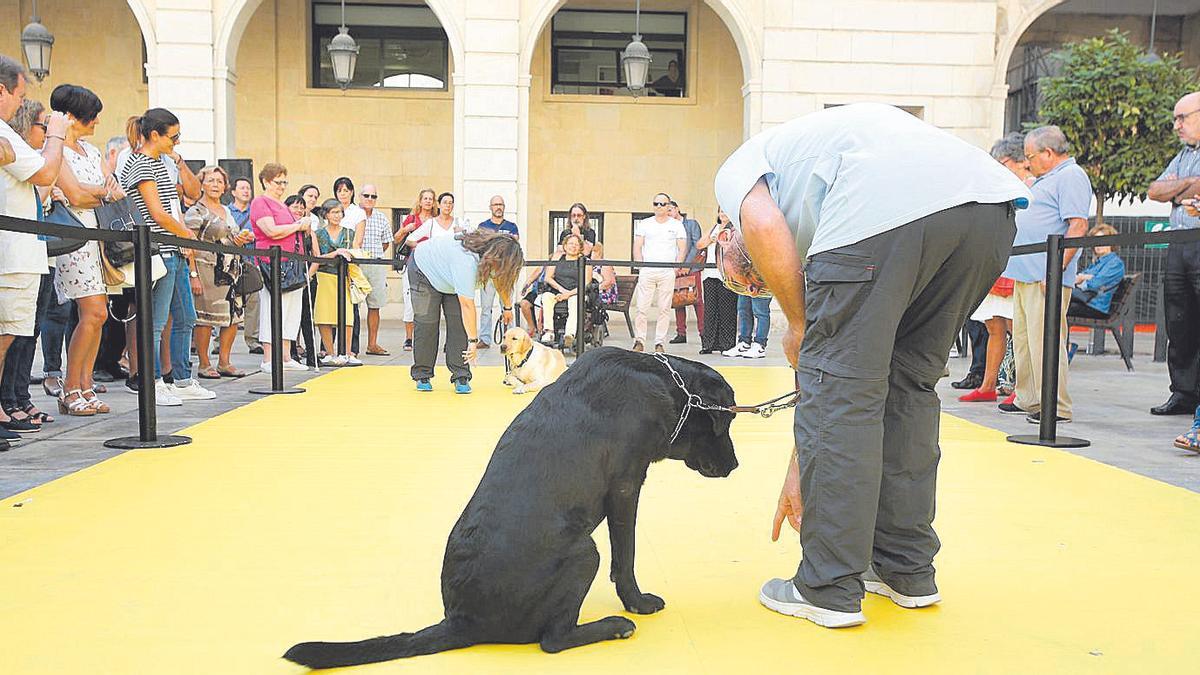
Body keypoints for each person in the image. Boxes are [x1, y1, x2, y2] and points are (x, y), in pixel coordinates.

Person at [715, 102, 1029, 628]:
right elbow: (825, 390)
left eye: (749, 282)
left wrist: (799, 323)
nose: (755, 289)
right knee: (908, 389)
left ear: (726, 235)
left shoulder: (737, 177)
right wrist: (800, 464)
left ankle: (828, 586)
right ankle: (904, 570)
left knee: (845, 394)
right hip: (989, 212)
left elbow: (761, 221)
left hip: (884, 215)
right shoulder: (808, 168)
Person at [119, 107, 215, 406]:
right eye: (172, 137)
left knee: (186, 315)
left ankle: (183, 379)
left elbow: (181, 198)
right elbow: (156, 213)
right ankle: (153, 381)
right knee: (156, 321)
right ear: (154, 135)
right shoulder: (141, 165)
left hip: (173, 247)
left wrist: (182, 236)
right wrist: (186, 234)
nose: (176, 141)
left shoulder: (160, 163)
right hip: (157, 249)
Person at [0, 55, 69, 446]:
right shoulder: (6, 132)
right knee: (6, 335)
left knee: (11, 334)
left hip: (20, 252)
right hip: (12, 252)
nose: (19, 104)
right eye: (19, 95)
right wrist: (56, 136)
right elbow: (45, 173)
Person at [1001, 126, 1090, 424]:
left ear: (1048, 153)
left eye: (1030, 156)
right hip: (1028, 273)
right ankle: (1029, 397)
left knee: (1045, 340)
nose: (1027, 162)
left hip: (1046, 275)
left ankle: (1055, 405)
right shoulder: (1046, 178)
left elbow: (1077, 226)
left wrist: (1056, 269)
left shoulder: (1070, 176)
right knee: (1025, 340)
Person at [49, 84, 119, 416]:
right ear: (75, 116)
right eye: (93, 116)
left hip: (99, 238)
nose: (97, 122)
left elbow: (112, 188)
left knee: (99, 315)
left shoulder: (92, 151)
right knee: (92, 312)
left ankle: (86, 384)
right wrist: (98, 193)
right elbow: (74, 195)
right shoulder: (57, 149)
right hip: (73, 238)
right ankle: (70, 387)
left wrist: (94, 192)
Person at [959, 132, 1031, 405]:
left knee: (1017, 328)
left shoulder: (1029, 183)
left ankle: (1019, 387)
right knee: (994, 327)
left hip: (1020, 264)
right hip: (999, 260)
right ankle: (988, 384)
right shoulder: (998, 185)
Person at [408, 230, 521, 393]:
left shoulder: (490, 257)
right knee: (427, 323)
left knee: (459, 325)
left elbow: (499, 279)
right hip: (423, 271)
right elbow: (467, 305)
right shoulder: (466, 261)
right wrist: (474, 341)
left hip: (449, 276)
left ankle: (461, 374)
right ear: (495, 256)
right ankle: (422, 374)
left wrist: (508, 307)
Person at [1147, 91, 1200, 416]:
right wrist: (1190, 183)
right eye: (1175, 118)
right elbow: (1154, 191)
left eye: (1183, 117)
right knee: (1178, 322)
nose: (1176, 125)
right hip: (1178, 244)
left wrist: (1178, 188)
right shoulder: (1182, 155)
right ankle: (1182, 391)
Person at [185, 166, 255, 379]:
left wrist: (241, 239)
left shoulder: (227, 210)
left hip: (230, 270)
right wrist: (193, 274)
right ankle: (205, 364)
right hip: (205, 269)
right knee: (205, 318)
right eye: (211, 180)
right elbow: (189, 244)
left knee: (233, 317)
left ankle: (225, 361)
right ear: (202, 184)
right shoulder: (195, 211)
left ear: (225, 186)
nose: (215, 185)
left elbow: (229, 238)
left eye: (219, 181)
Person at [248, 163, 310, 374]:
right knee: (272, 308)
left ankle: (285, 355)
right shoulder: (260, 202)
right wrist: (297, 225)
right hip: (272, 263)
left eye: (284, 182)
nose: (282, 186)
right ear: (266, 181)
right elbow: (270, 231)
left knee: (292, 310)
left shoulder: (282, 205)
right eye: (278, 182)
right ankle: (268, 357)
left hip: (292, 262)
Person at [632, 193, 686, 353]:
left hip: (667, 271)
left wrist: (676, 267)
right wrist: (641, 266)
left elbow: (682, 247)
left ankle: (659, 342)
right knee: (642, 308)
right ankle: (639, 341)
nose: (659, 207)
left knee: (664, 308)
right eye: (656, 204)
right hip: (648, 270)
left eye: (663, 204)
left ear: (669, 206)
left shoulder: (676, 225)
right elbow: (637, 246)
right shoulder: (645, 224)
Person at [312, 199, 355, 366]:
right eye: (333, 212)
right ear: (326, 214)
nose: (337, 215)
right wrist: (335, 253)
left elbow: (355, 251)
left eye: (339, 212)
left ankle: (347, 352)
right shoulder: (319, 234)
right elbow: (316, 257)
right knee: (324, 315)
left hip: (344, 277)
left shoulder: (350, 233)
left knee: (347, 316)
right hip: (324, 275)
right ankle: (330, 353)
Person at [394, 188, 437, 351]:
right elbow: (396, 239)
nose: (427, 201)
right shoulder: (412, 219)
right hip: (412, 263)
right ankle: (409, 338)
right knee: (410, 300)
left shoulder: (436, 221)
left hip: (431, 265)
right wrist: (406, 229)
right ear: (420, 201)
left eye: (430, 199)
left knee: (430, 302)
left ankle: (425, 337)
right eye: (425, 198)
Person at [476, 195, 519, 348]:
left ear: (504, 207)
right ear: (490, 207)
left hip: (505, 272)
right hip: (488, 272)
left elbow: (514, 242)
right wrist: (502, 238)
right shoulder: (483, 225)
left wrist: (493, 239)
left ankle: (511, 339)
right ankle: (485, 339)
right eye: (495, 204)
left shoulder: (512, 226)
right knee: (486, 308)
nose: (498, 207)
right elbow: (481, 244)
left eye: (500, 204)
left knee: (506, 306)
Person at [355, 184, 392, 356]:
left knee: (375, 305)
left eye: (373, 196)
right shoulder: (352, 214)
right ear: (359, 196)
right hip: (356, 263)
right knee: (352, 306)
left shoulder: (382, 218)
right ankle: (350, 347)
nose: (370, 199)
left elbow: (386, 243)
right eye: (366, 195)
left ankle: (372, 344)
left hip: (376, 263)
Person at [332, 176, 365, 364]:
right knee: (332, 305)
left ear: (352, 192)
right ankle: (329, 348)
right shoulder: (330, 209)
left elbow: (357, 240)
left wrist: (349, 254)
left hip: (350, 260)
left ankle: (352, 348)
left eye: (346, 190)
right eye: (339, 190)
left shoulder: (357, 213)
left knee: (352, 305)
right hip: (331, 263)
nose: (343, 194)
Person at [697, 210, 738, 354]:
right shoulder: (714, 227)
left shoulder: (735, 229)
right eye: (720, 211)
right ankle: (708, 343)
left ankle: (726, 344)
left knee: (727, 310)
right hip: (710, 274)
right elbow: (700, 244)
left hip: (726, 274)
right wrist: (711, 239)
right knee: (710, 310)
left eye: (726, 211)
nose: (723, 214)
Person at [1067, 224, 1125, 320]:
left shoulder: (1115, 263)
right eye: (1095, 241)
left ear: (1111, 242)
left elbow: (1094, 284)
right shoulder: (1098, 262)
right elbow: (1078, 279)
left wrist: (1084, 278)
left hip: (1095, 306)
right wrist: (1087, 277)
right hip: (1086, 302)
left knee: (1057, 307)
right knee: (1056, 304)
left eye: (1102, 240)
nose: (1098, 245)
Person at [540, 233, 586, 348]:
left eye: (576, 244)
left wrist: (568, 294)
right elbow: (548, 277)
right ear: (565, 246)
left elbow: (586, 283)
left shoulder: (585, 261)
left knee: (575, 301)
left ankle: (569, 334)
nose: (573, 246)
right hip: (558, 290)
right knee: (546, 297)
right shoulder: (557, 257)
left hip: (576, 292)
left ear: (580, 247)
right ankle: (548, 332)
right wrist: (561, 290)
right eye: (571, 243)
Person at [669, 200, 705, 345]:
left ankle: (703, 332)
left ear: (677, 209)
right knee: (678, 300)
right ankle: (681, 333)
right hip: (675, 269)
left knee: (697, 300)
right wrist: (675, 267)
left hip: (691, 268)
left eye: (670, 209)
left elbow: (696, 245)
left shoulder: (691, 224)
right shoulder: (668, 228)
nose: (669, 213)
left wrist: (686, 266)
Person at [723, 294, 771, 359]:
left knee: (761, 312)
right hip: (745, 285)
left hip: (763, 284)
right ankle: (744, 343)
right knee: (743, 310)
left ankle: (760, 345)